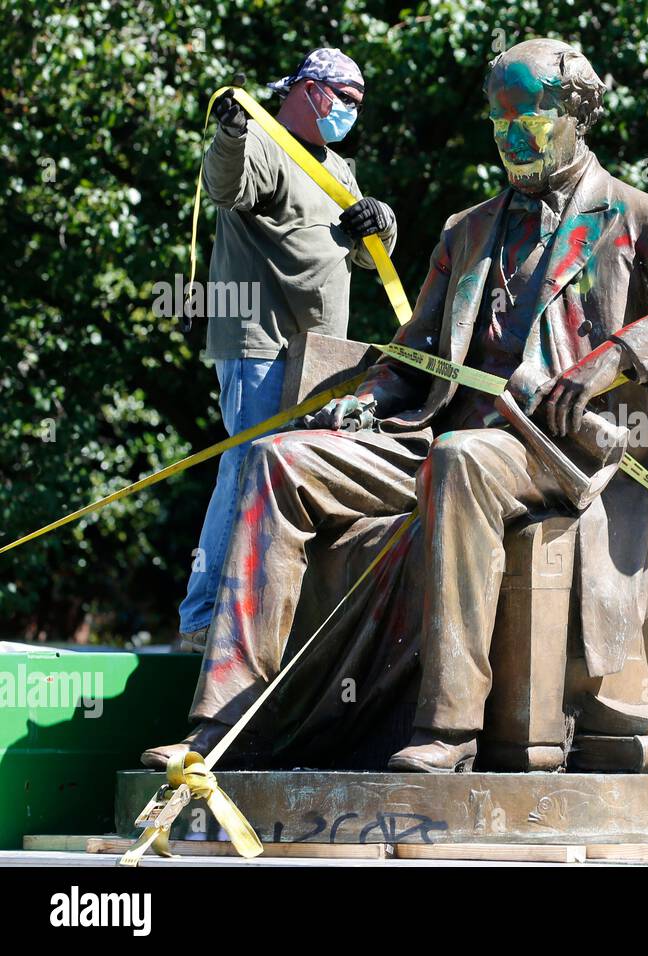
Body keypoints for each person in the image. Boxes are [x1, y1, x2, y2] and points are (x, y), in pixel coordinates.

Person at [143, 38, 648, 773]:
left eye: (525, 124)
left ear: (575, 115)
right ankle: (228, 722)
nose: (509, 141)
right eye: (497, 127)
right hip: (434, 436)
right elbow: (412, 355)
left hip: (551, 447)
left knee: (462, 460)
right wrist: (366, 403)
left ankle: (450, 730)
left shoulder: (638, 219)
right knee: (279, 460)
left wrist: (604, 366)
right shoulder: (466, 230)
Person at [176, 48, 398, 650]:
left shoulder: (338, 170)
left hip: (320, 356)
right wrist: (229, 133)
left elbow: (366, 252)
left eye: (359, 102)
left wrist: (381, 221)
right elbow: (225, 186)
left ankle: (271, 618)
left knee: (291, 479)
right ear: (305, 90)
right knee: (246, 467)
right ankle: (201, 620)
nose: (353, 111)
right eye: (343, 98)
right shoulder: (266, 145)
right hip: (260, 341)